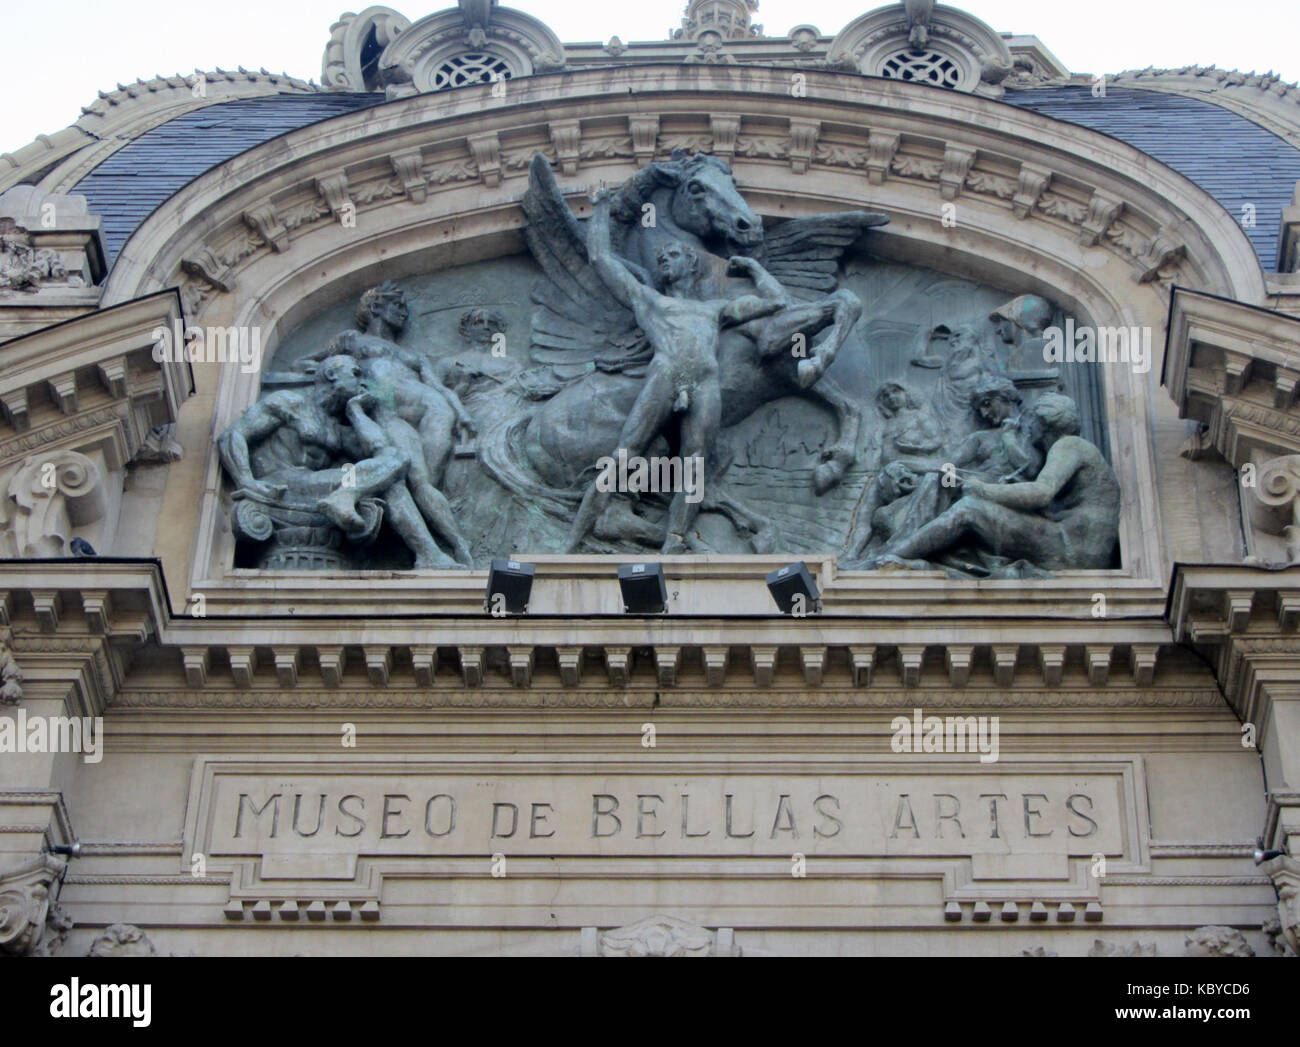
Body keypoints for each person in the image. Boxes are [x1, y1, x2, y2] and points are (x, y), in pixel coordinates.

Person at [563, 192, 788, 554]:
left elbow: (777, 302)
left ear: (692, 265)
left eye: (672, 256)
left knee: (694, 464)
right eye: (660, 258)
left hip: (704, 382)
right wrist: (601, 208)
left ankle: (675, 542)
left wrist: (755, 268)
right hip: (666, 375)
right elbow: (601, 258)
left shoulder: (715, 309)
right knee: (624, 456)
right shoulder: (649, 301)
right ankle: (572, 542)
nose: (664, 260)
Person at [218, 355, 455, 568]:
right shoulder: (289, 402)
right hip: (280, 481)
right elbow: (233, 435)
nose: (362, 380)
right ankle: (428, 553)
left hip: (310, 486)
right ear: (332, 375)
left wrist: (356, 411)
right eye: (355, 373)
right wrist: (245, 480)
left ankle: (347, 497)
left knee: (394, 465)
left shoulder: (337, 428)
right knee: (389, 473)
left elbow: (383, 452)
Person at [867, 393, 1120, 572]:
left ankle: (892, 557)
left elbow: (1042, 492)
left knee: (970, 510)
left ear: (1044, 424)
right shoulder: (1071, 449)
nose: (1028, 427)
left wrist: (982, 490)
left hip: (1072, 550)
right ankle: (901, 551)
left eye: (1032, 421)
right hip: (1074, 544)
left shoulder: (1069, 445)